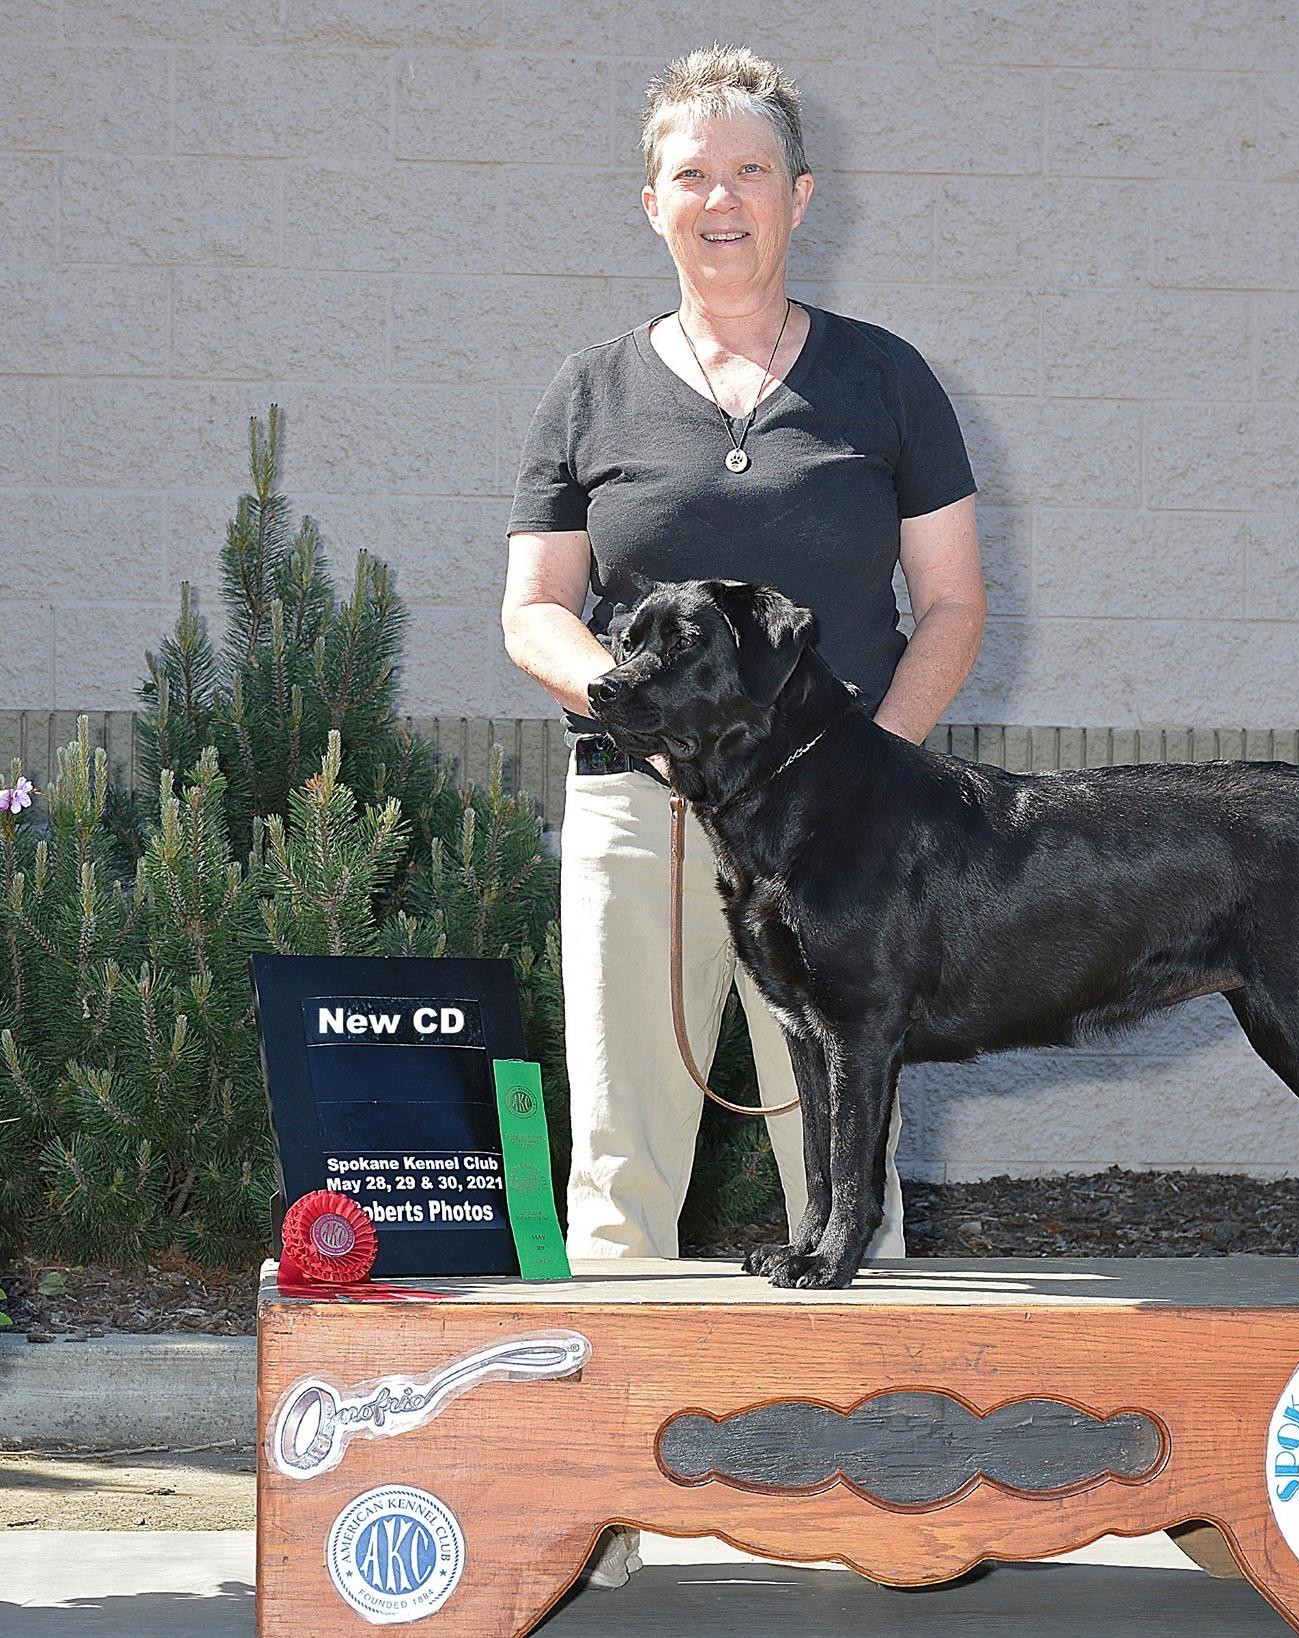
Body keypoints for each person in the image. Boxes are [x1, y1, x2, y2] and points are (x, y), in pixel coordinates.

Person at [500, 45, 984, 1587]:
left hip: (840, 841)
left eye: (750, 172)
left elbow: (954, 602)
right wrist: (618, 705)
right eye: (691, 175)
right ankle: (607, 1509)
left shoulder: (887, 377)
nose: (721, 199)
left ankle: (890, 1495)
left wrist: (869, 778)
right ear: (651, 203)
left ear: (802, 198)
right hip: (636, 817)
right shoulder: (587, 389)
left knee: (845, 1154)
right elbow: (532, 611)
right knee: (623, 1157)